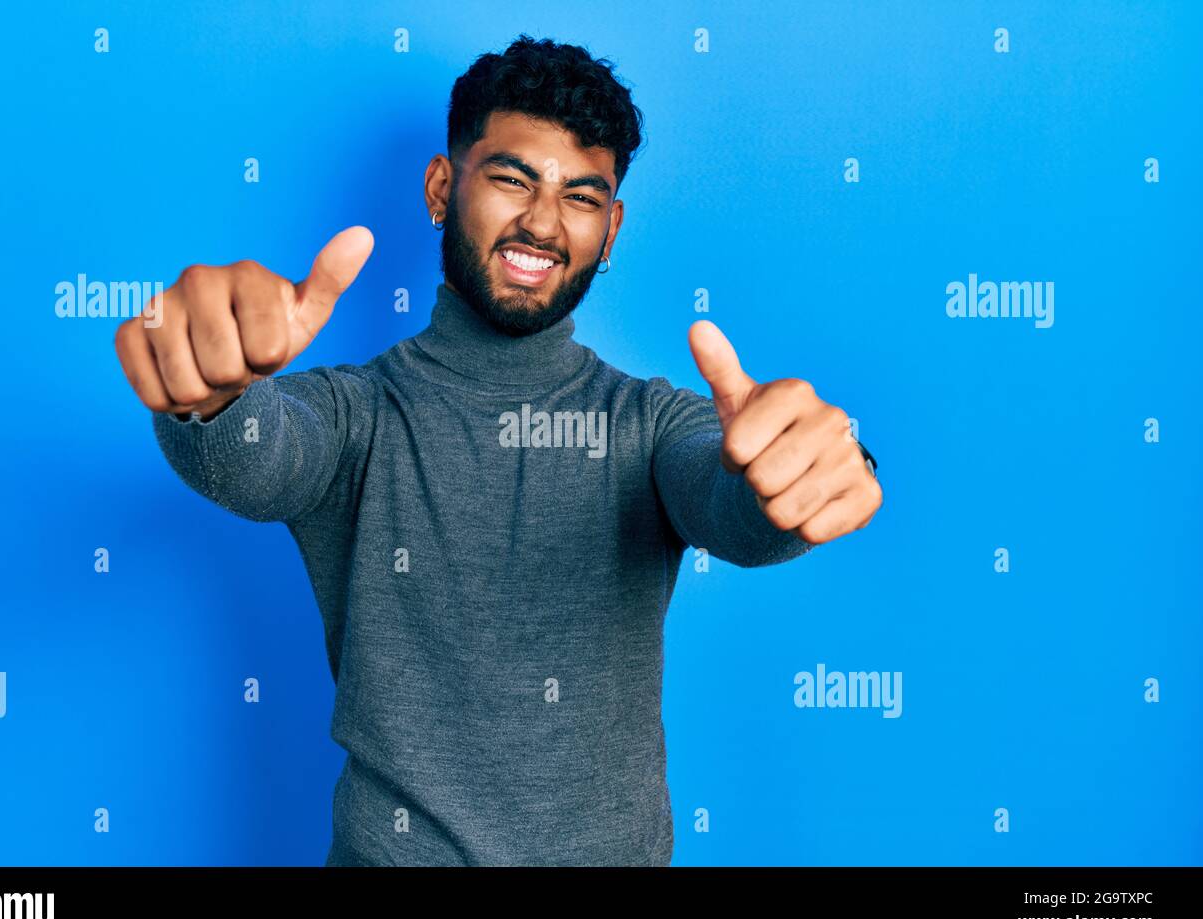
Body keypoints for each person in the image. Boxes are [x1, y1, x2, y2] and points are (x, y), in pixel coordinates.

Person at [113, 34, 882, 866]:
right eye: (513, 178)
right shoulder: (354, 415)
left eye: (582, 197)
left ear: (612, 228)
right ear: (443, 187)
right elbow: (251, 457)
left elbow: (734, 499)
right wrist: (207, 389)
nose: (544, 222)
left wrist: (806, 478)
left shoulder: (651, 423)